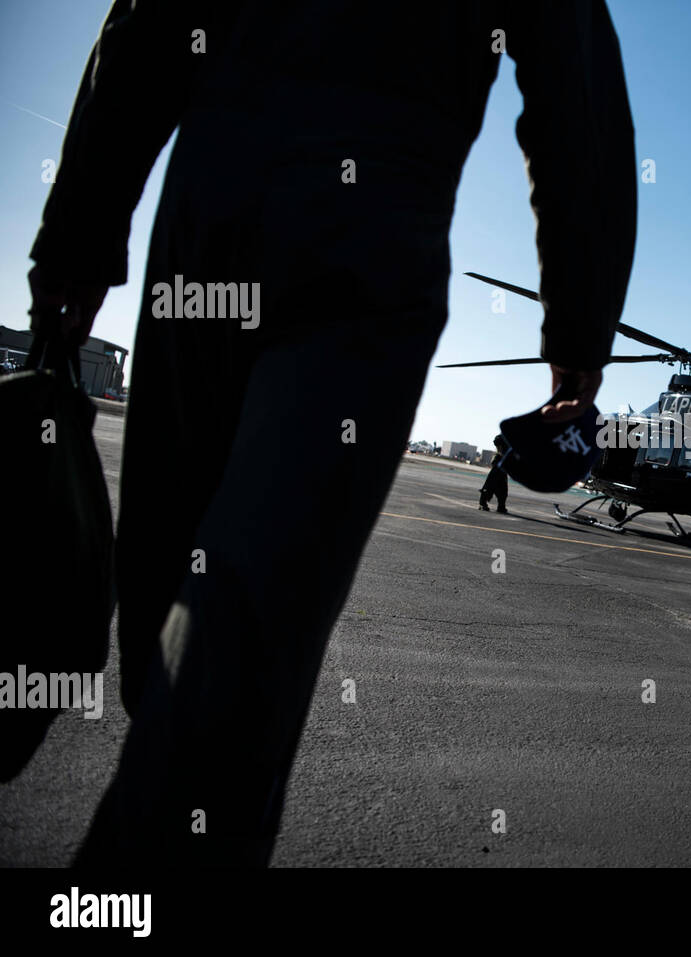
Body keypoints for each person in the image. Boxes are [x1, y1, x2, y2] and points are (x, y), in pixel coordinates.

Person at [29, 0, 635, 865]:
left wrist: (77, 240)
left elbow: (145, 26)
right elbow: (578, 99)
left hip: (210, 213)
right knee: (233, 628)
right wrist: (580, 329)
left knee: (175, 583)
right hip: (368, 245)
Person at [480, 435, 510, 513]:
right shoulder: (499, 453)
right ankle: (483, 504)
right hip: (496, 471)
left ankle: (501, 506)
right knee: (489, 488)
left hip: (501, 471)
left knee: (503, 491)